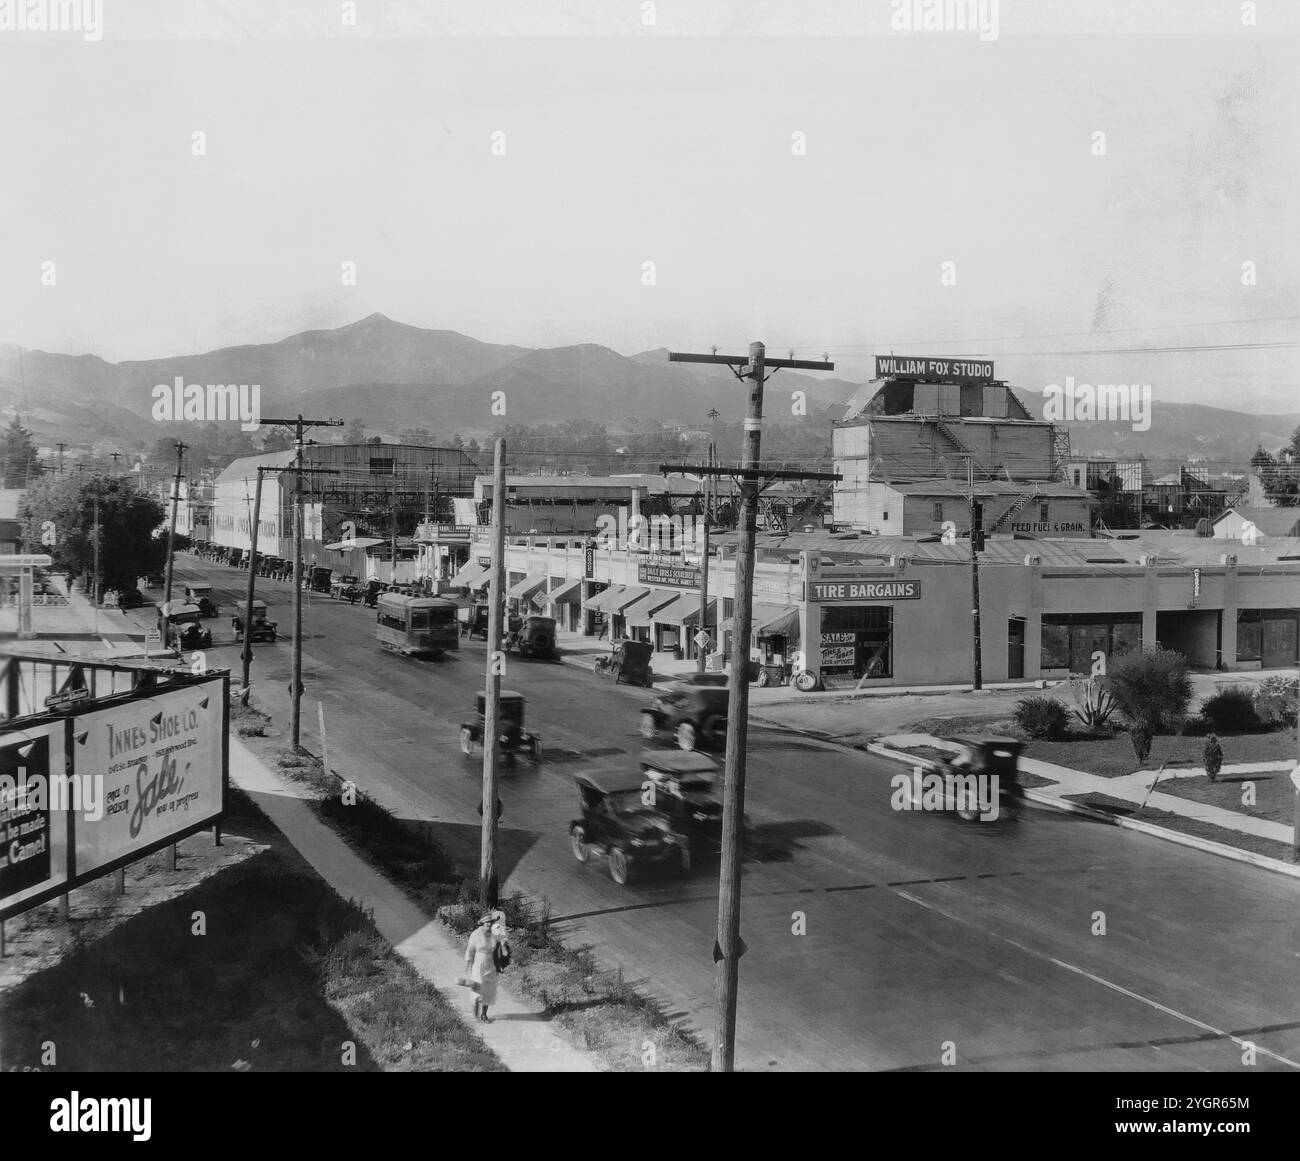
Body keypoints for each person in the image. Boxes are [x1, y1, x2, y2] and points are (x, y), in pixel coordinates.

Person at [464, 909, 505, 1022]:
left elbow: (498, 951)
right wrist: (468, 966)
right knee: (479, 988)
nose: (490, 925)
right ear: (483, 923)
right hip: (478, 965)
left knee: (488, 990)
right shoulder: (476, 934)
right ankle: (476, 1006)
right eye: (488, 923)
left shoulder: (495, 934)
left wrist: (499, 964)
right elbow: (470, 950)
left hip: (491, 965)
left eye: (492, 923)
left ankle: (484, 1014)